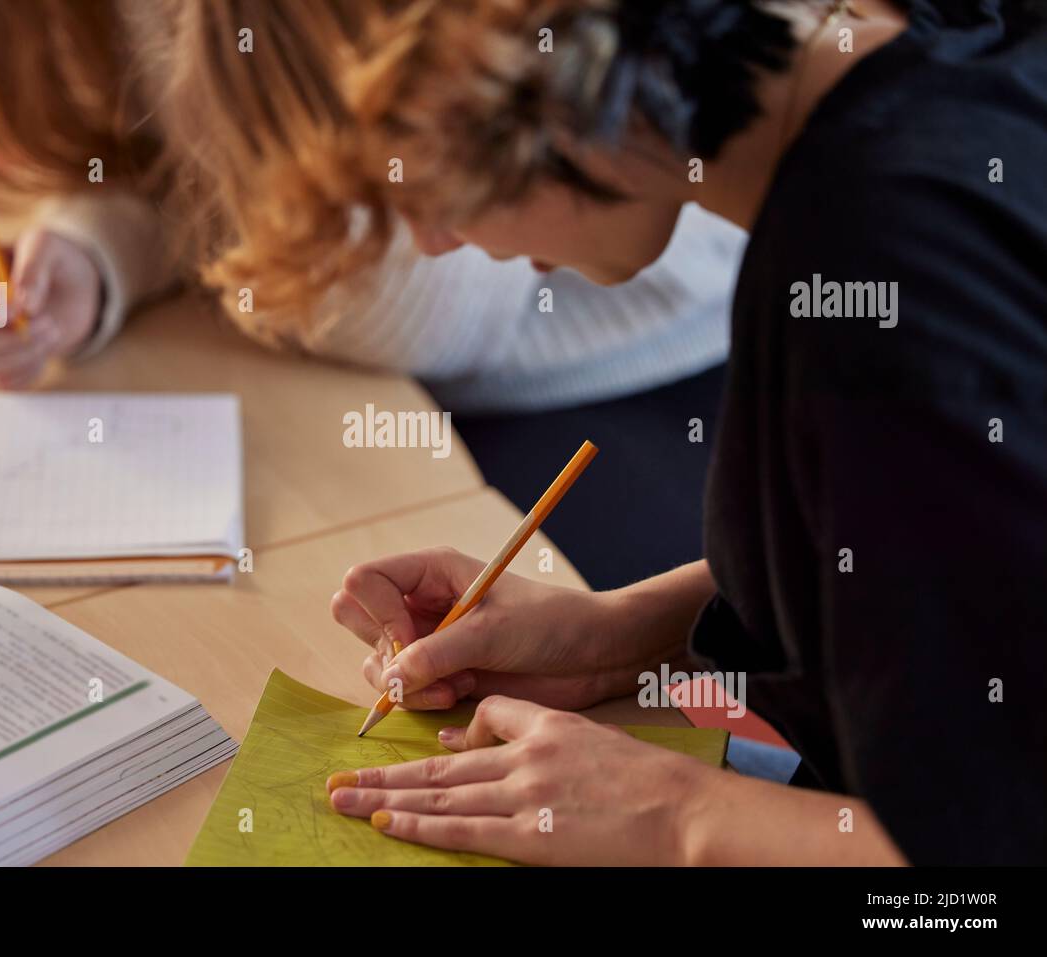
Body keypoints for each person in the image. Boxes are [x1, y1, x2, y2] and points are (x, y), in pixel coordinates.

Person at [180, 0, 1047, 863]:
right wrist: (623, 636)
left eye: (421, 179)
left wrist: (673, 812)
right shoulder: (946, 51)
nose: (435, 242)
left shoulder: (878, 284)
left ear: (519, 72)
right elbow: (941, 569)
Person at [0, 0, 747, 590]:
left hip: (631, 358)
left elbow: (411, 300)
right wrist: (98, 251)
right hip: (381, 360)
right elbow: (202, 177)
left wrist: (246, 243)